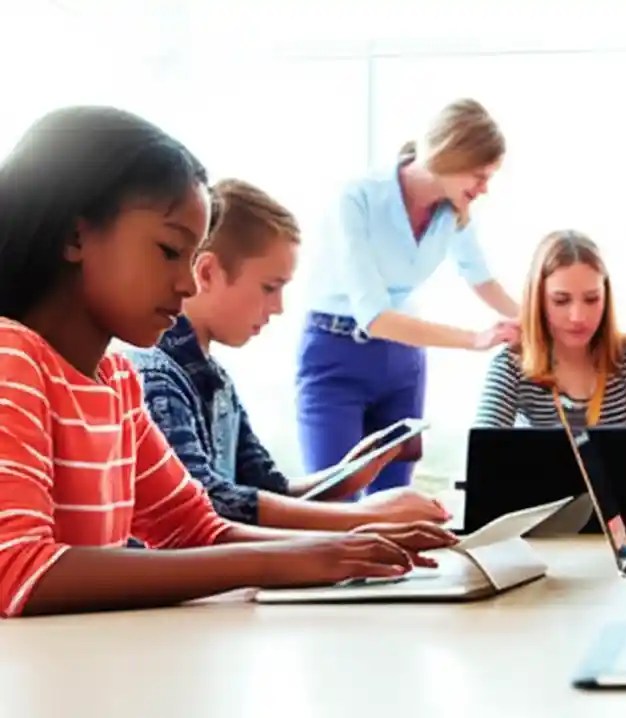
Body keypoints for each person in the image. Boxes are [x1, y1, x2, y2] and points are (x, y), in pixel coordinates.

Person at [0, 106, 454, 618]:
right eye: (170, 251)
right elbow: (19, 569)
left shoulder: (118, 385)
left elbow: (195, 529)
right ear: (75, 237)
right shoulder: (11, 359)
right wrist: (281, 560)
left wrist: (351, 544)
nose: (188, 284)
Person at [129, 178, 452, 531]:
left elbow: (266, 492)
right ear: (207, 273)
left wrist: (348, 475)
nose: (279, 307)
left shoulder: (215, 377)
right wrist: (366, 517)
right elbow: (209, 502)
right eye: (270, 287)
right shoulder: (156, 377)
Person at [297, 98, 521, 496]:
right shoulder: (359, 197)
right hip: (336, 354)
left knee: (393, 503)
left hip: (402, 364)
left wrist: (537, 321)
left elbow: (482, 279)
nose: (484, 189)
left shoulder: (453, 212)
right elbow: (375, 316)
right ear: (452, 154)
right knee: (333, 502)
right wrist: (475, 339)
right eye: (479, 175)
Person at [474, 230, 626, 518]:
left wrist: (573, 509)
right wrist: (609, 504)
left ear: (607, 296)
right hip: (545, 539)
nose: (578, 317)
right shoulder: (511, 365)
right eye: (561, 300)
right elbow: (484, 472)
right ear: (538, 301)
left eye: (592, 299)